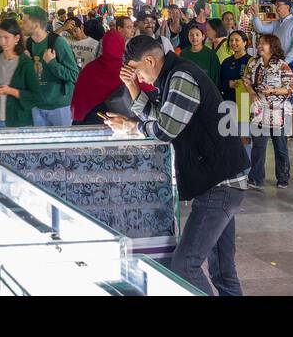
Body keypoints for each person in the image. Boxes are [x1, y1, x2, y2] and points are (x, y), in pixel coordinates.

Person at [102, 34, 249, 295]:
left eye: (136, 71)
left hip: (220, 184)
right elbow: (163, 117)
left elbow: (165, 130)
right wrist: (133, 90)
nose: (138, 78)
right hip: (221, 178)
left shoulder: (181, 76)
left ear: (149, 60)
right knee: (222, 270)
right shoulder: (173, 76)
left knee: (184, 266)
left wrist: (132, 126)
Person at [242, 33, 293, 189]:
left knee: (280, 145)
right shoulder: (253, 63)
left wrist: (273, 90)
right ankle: (256, 178)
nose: (259, 46)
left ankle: (283, 177)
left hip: (278, 110)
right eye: (259, 43)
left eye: (263, 44)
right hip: (259, 108)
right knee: (258, 145)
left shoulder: (282, 66)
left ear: (272, 47)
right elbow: (246, 80)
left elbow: (290, 89)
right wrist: (251, 92)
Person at [252, 0, 293, 138]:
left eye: (279, 5)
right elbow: (261, 29)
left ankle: (287, 132)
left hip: (292, 64)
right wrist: (256, 15)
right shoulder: (277, 23)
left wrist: (282, 64)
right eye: (275, 5)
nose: (276, 7)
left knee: (289, 98)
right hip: (280, 64)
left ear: (288, 7)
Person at [19, 6, 80, 127]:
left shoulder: (58, 43)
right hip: (37, 105)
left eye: (24, 21)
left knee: (62, 144)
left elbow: (74, 75)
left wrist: (52, 63)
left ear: (36, 24)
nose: (21, 25)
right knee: (40, 145)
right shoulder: (29, 44)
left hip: (59, 105)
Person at [0, 18, 40, 127]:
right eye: (0, 37)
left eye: (6, 37)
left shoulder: (25, 62)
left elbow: (35, 96)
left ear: (17, 38)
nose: (2, 42)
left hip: (19, 121)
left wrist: (11, 91)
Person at [70, 29, 130, 125]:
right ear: (122, 46)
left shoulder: (90, 69)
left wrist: (77, 119)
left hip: (91, 120)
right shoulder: (127, 71)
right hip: (120, 121)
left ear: (103, 45)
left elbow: (79, 98)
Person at [218, 30, 253, 127]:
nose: (233, 43)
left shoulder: (251, 61)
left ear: (245, 42)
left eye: (237, 40)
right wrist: (228, 84)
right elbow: (219, 81)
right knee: (229, 135)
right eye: (231, 40)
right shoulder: (226, 62)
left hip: (245, 103)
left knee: (244, 136)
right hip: (229, 102)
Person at [179, 23, 220, 89]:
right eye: (191, 35)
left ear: (203, 37)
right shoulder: (183, 54)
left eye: (197, 35)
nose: (194, 37)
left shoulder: (211, 55)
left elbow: (215, 78)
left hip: (206, 90)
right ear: (188, 37)